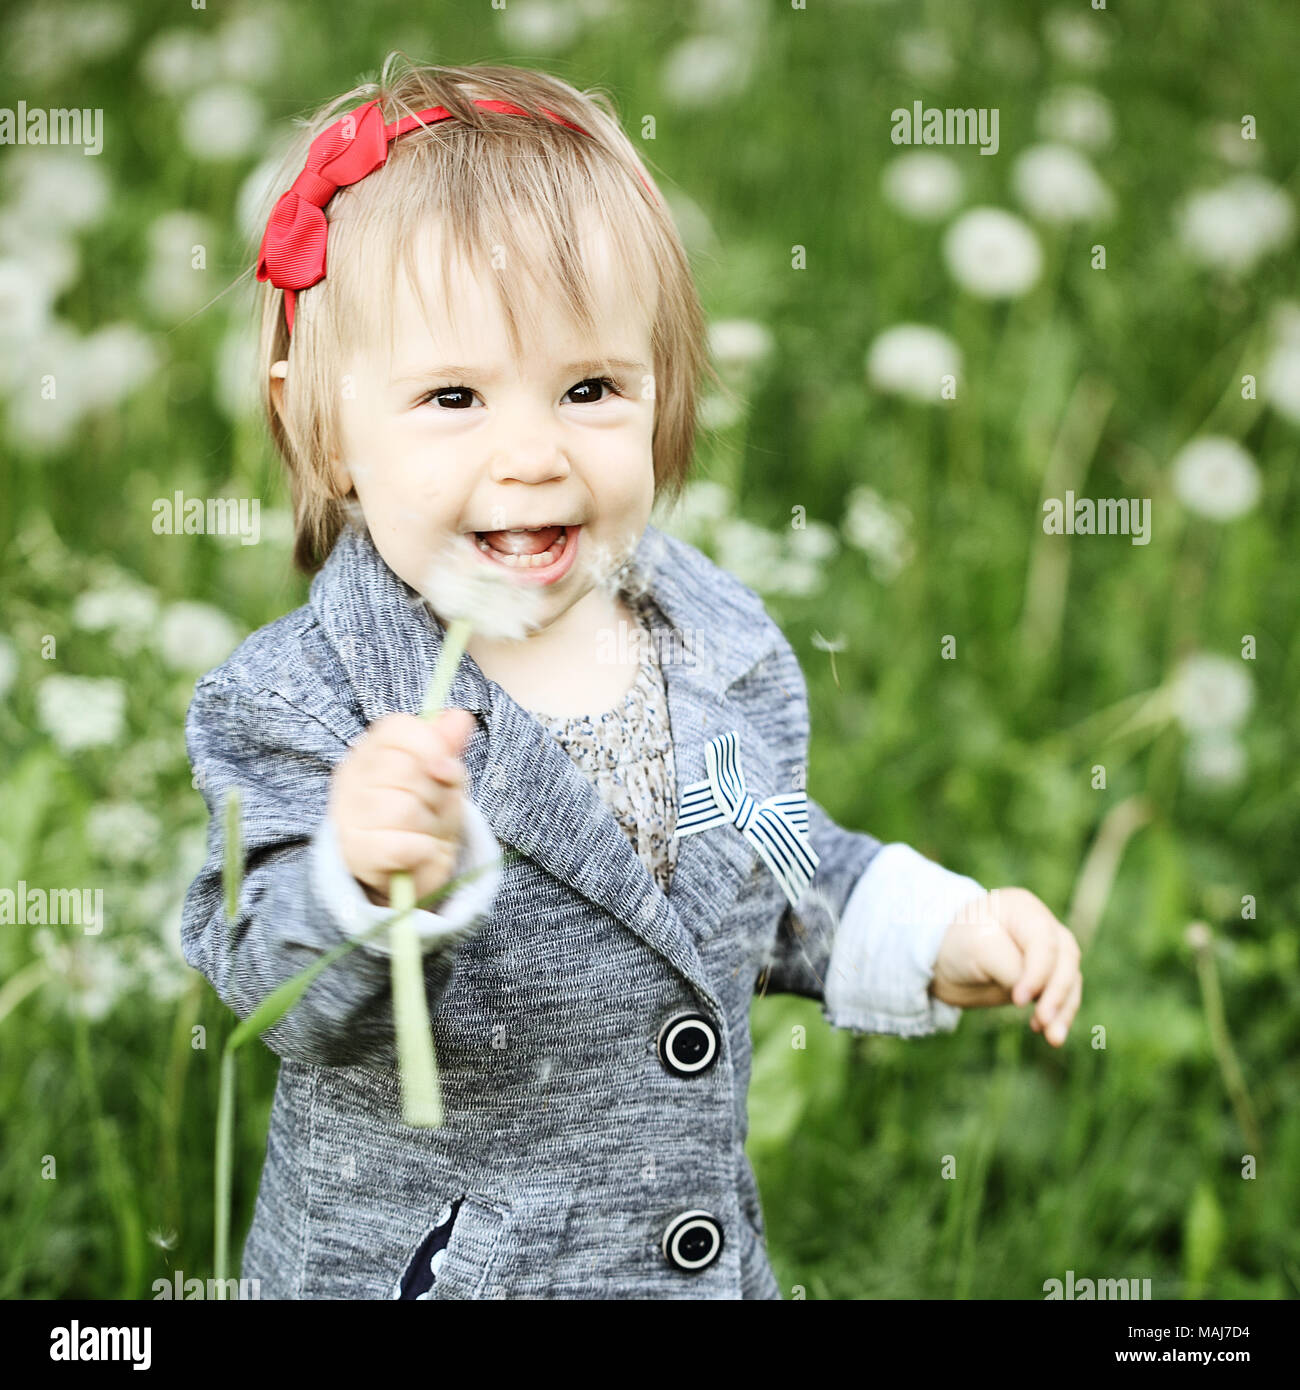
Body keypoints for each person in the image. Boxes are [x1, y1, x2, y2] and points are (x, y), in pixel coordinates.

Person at [181, 55, 1081, 1300]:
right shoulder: (306, 703)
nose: (535, 453)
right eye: (453, 396)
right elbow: (268, 977)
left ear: (661, 398)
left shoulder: (710, 640)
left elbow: (772, 862)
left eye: (590, 388)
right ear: (319, 424)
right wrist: (359, 878)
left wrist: (936, 931)